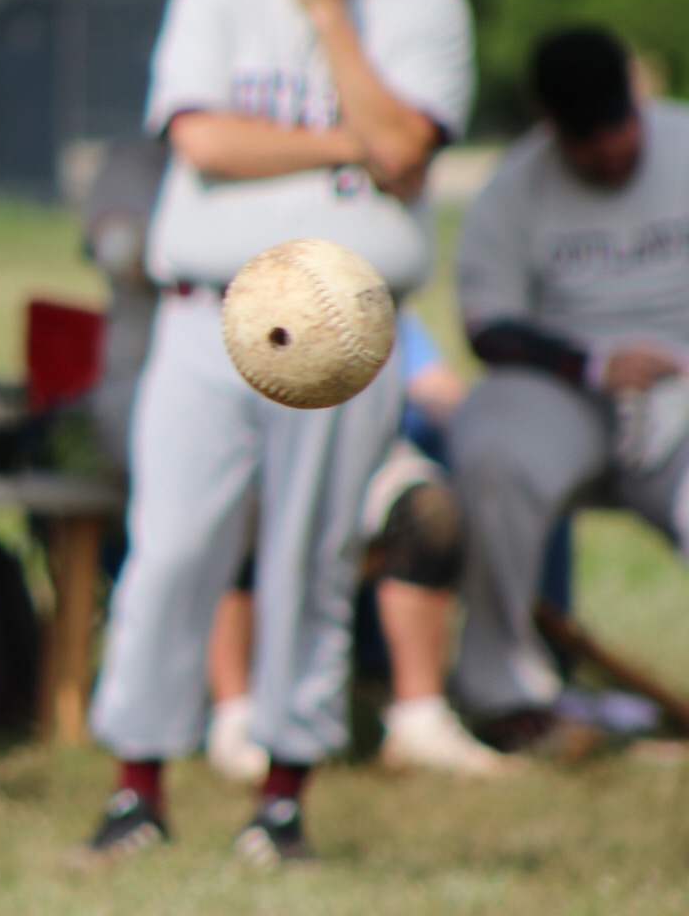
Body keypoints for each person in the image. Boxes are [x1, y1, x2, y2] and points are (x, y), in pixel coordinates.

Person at [78, 0, 475, 867]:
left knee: (316, 550)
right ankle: (136, 788)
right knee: (169, 551)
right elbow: (203, 138)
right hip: (210, 308)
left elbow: (410, 153)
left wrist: (331, 16)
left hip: (348, 321)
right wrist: (355, 133)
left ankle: (285, 797)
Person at [448, 26, 689, 751]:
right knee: (492, 446)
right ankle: (504, 695)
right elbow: (487, 328)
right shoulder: (515, 187)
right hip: (570, 382)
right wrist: (591, 362)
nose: (610, 149)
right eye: (587, 138)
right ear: (551, 127)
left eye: (618, 125)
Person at [203, 311, 519, 781]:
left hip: (361, 459)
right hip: (250, 456)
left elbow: (434, 384)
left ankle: (419, 717)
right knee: (232, 518)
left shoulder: (365, 295)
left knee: (431, 514)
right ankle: (235, 715)